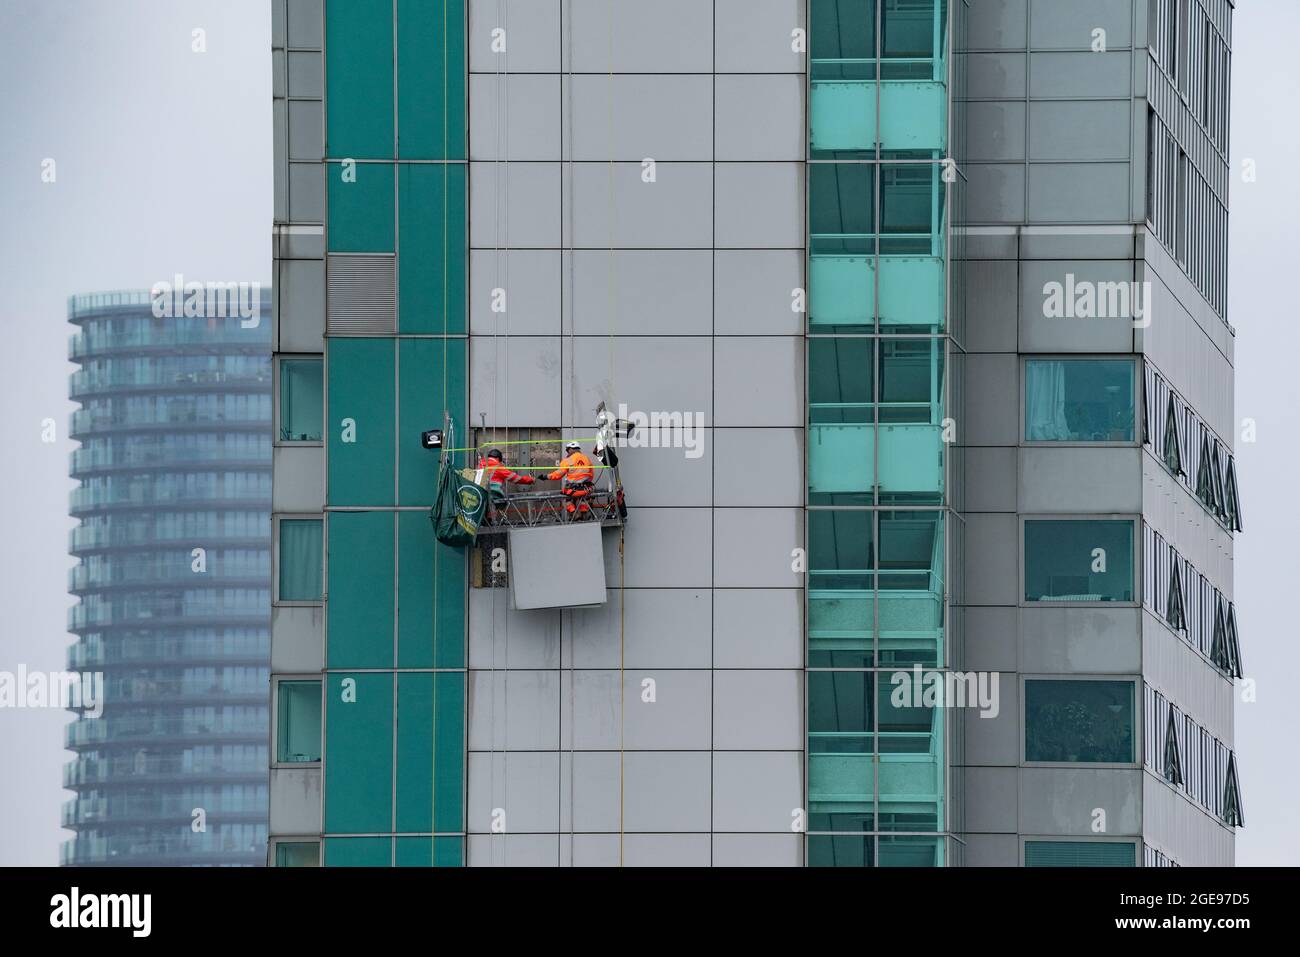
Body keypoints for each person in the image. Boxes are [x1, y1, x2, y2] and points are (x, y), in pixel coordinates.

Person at [476, 448, 534, 522]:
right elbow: (515, 478)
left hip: (478, 492)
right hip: (493, 494)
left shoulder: (480, 464)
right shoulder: (498, 467)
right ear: (497, 458)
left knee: (487, 504)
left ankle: (485, 521)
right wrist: (530, 480)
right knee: (499, 501)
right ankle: (491, 521)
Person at [543, 440, 595, 517]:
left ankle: (574, 513)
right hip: (586, 489)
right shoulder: (587, 459)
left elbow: (558, 475)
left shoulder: (567, 460)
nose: (567, 452)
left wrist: (546, 476)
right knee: (584, 499)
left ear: (571, 449)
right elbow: (591, 475)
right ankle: (583, 512)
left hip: (572, 490)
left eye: (568, 450)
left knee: (564, 498)